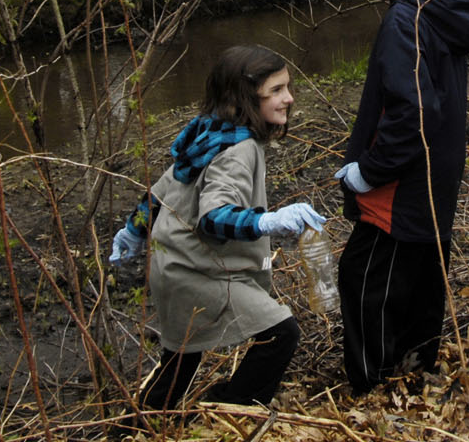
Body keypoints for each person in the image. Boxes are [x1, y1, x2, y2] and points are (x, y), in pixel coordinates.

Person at [109, 44, 327, 411]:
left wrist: (134, 229)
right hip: (196, 270)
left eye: (287, 87)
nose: (289, 98)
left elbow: (163, 189)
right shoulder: (239, 149)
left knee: (182, 355)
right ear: (244, 97)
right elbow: (214, 217)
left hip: (175, 264)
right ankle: (233, 405)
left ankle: (142, 421)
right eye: (275, 90)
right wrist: (266, 221)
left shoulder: (210, 131)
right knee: (280, 332)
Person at [333, 0, 469, 394]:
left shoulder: (405, 18)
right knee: (420, 280)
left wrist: (367, 173)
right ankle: (418, 376)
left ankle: (372, 390)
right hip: (437, 182)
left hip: (399, 189)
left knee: (362, 282)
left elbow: (412, 113)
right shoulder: (444, 10)